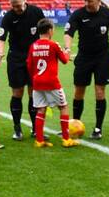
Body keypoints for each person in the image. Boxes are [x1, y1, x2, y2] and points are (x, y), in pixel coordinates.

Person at [63, 0, 109, 139]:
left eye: (90, 1)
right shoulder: (79, 14)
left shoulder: (108, 14)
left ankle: (98, 128)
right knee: (78, 91)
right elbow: (68, 33)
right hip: (83, 57)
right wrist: (67, 49)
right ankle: (75, 124)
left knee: (100, 91)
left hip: (102, 58)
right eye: (85, 0)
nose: (87, 3)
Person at [0, 0, 46, 142]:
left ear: (25, 0)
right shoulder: (8, 17)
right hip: (16, 59)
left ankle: (35, 128)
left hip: (35, 58)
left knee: (33, 94)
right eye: (13, 6)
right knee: (17, 93)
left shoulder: (37, 12)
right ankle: (17, 128)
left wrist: (49, 48)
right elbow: (1, 39)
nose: (16, 8)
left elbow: (45, 33)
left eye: (18, 5)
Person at [27, 19, 78, 149]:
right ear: (50, 30)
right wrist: (67, 52)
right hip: (51, 82)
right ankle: (66, 139)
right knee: (63, 107)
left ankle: (39, 140)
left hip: (37, 82)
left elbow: (29, 65)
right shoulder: (53, 44)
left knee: (40, 109)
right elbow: (65, 60)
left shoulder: (33, 45)